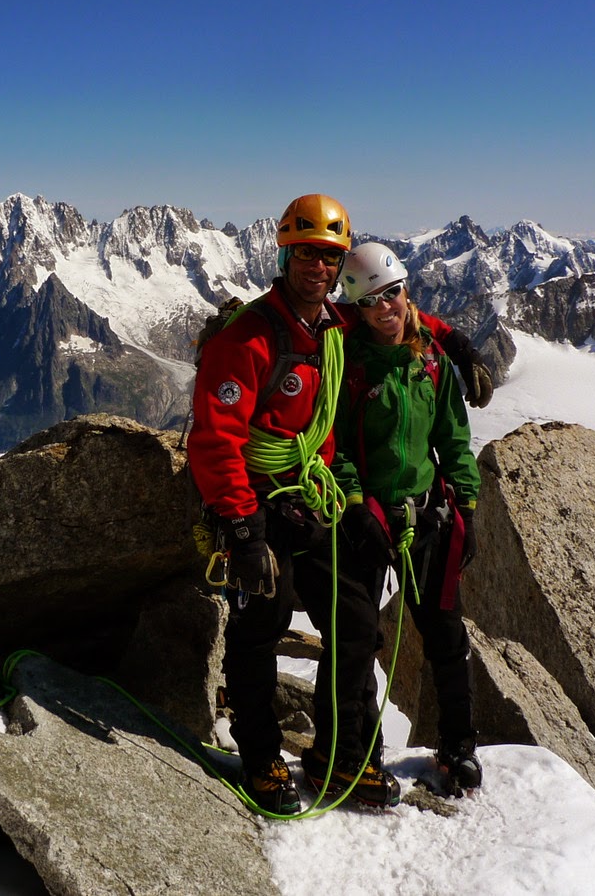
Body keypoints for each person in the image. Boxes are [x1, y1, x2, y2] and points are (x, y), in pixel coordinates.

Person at [189, 194, 401, 813]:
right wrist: (243, 528)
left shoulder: (331, 332)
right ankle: (260, 756)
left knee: (357, 618)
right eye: (307, 253)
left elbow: (325, 430)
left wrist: (355, 502)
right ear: (285, 254)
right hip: (253, 501)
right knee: (263, 619)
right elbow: (216, 436)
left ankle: (338, 757)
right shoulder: (249, 337)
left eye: (330, 257)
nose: (319, 266)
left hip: (306, 496)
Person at [329, 241, 485, 794]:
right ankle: (351, 752)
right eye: (372, 301)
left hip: (427, 516)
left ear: (405, 291)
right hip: (367, 518)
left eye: (392, 293)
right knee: (355, 636)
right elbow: (335, 444)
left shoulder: (431, 363)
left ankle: (459, 747)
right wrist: (352, 501)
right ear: (358, 308)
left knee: (445, 635)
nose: (386, 307)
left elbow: (454, 441)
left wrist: (465, 502)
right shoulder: (346, 365)